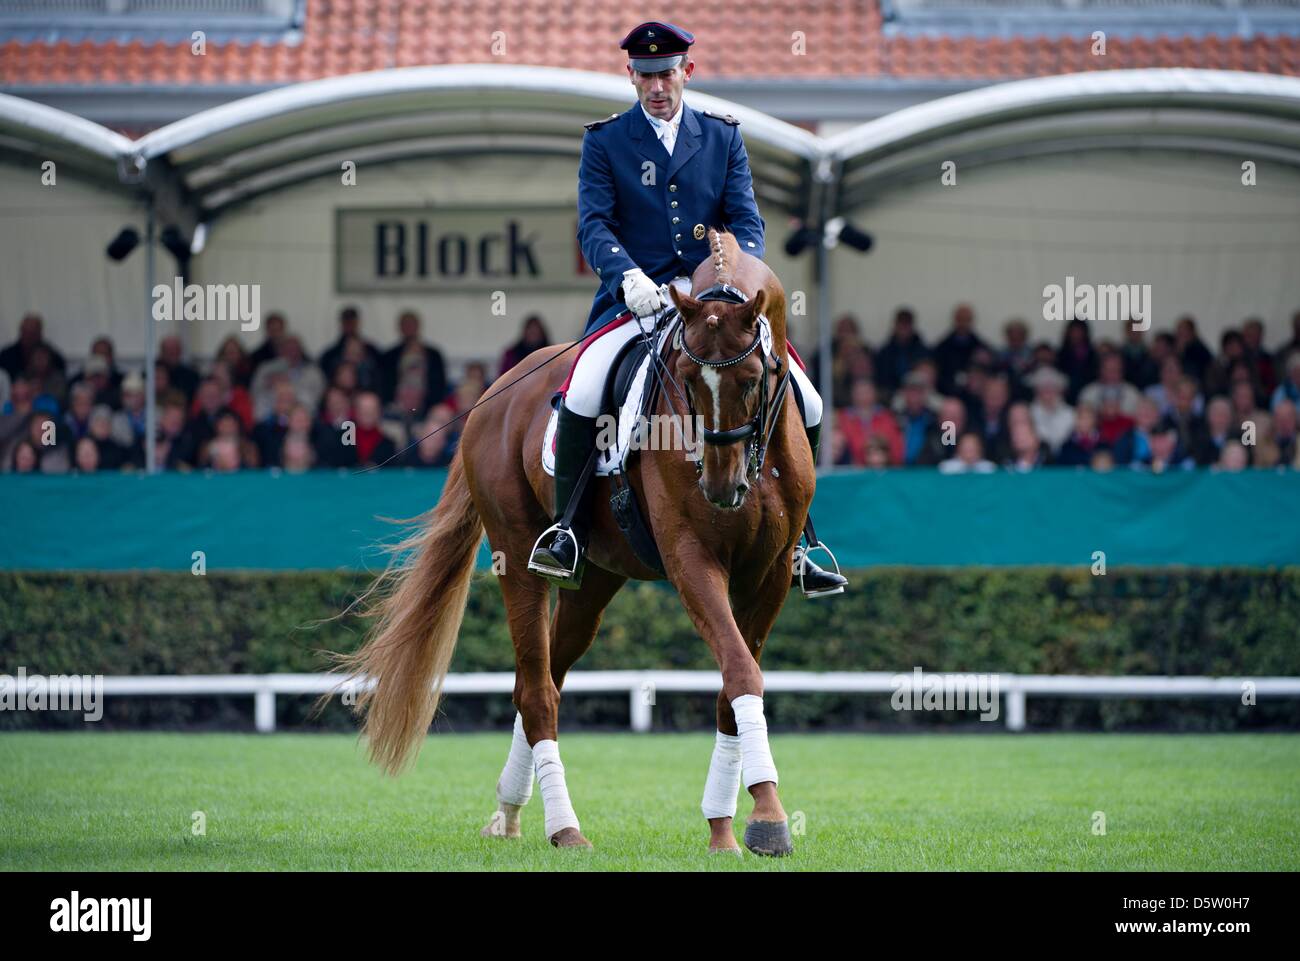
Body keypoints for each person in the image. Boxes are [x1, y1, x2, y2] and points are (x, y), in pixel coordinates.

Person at [528, 20, 845, 597]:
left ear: (686, 73)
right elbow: (594, 224)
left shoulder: (722, 137)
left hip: (715, 308)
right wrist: (627, 277)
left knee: (811, 399)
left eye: (666, 74)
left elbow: (746, 222)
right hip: (637, 302)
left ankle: (801, 540)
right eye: (645, 75)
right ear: (631, 76)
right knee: (583, 387)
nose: (656, 86)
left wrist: (725, 281)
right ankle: (567, 531)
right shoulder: (605, 141)